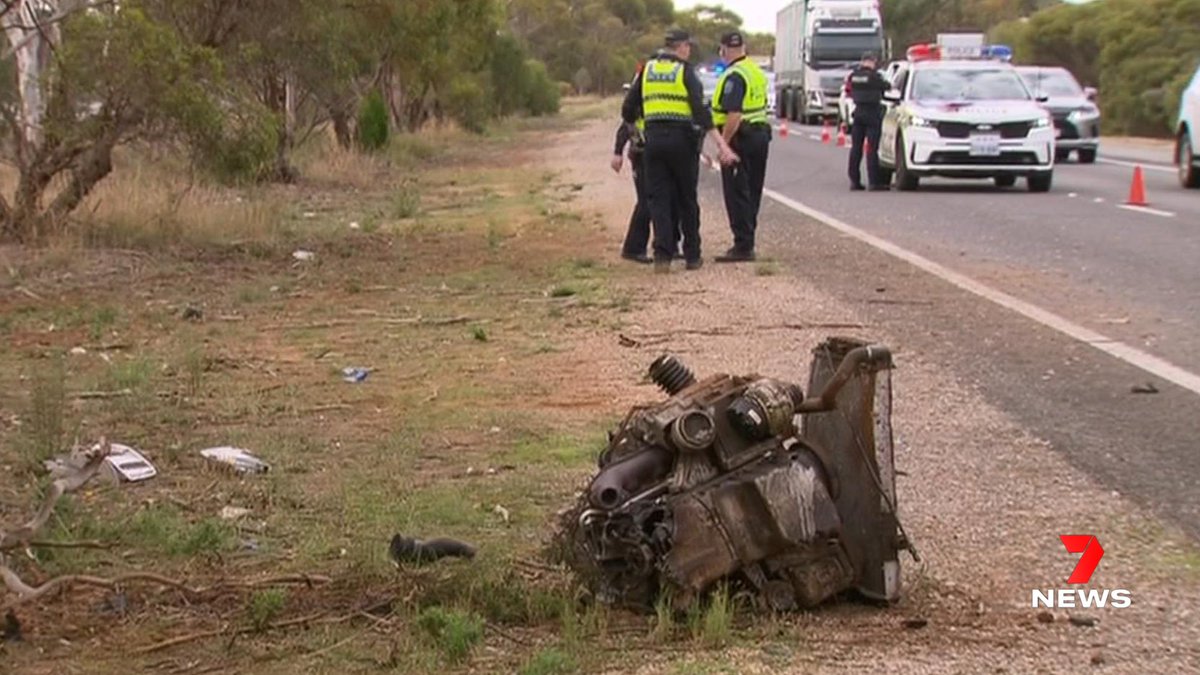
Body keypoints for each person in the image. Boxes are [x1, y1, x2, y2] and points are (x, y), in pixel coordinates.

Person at [622, 28, 738, 273]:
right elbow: (700, 111)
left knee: (658, 199)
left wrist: (635, 133)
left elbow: (628, 108)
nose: (689, 50)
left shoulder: (647, 71)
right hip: (682, 141)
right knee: (686, 198)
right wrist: (721, 143)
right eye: (688, 46)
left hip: (653, 142)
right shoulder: (685, 72)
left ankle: (662, 255)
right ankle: (692, 255)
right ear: (680, 47)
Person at [711, 31, 771, 262]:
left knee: (737, 192)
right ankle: (748, 239)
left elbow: (733, 114)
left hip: (741, 138)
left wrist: (723, 145)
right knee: (752, 189)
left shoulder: (734, 76)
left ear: (723, 50)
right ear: (744, 47)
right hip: (760, 135)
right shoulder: (754, 71)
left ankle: (743, 245)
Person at [847, 51, 891, 191]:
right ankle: (874, 182)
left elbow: (848, 90)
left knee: (856, 149)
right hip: (872, 113)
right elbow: (887, 86)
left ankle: (854, 181)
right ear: (872, 62)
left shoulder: (853, 76)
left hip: (858, 113)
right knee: (872, 149)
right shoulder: (874, 76)